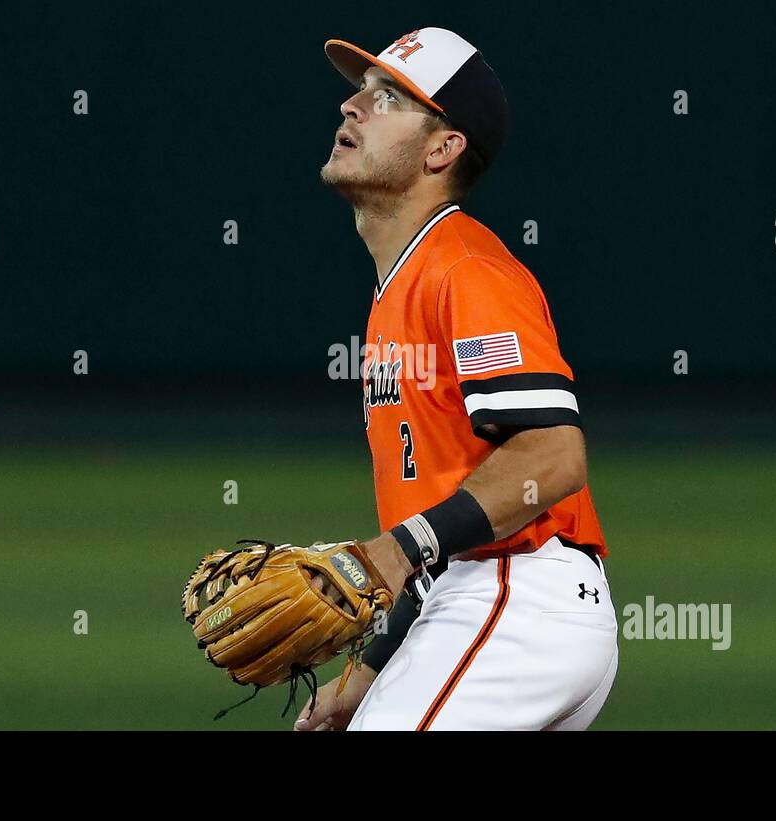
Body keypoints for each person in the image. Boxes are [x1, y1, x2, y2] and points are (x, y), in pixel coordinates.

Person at [297, 27, 618, 731]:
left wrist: (395, 549)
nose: (352, 107)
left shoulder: (465, 270)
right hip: (480, 601)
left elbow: (554, 457)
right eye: (360, 92)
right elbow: (456, 520)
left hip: (518, 598)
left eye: (388, 98)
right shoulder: (404, 282)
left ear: (443, 149)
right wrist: (374, 669)